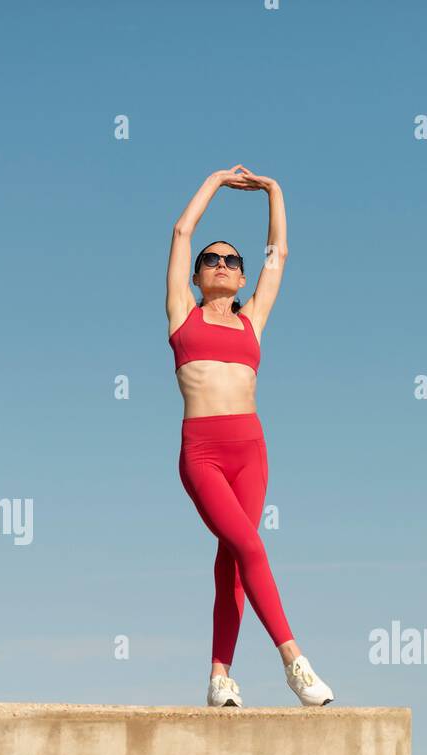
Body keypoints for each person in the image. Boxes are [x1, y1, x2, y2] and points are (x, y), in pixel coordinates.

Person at [166, 165, 334, 708]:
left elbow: (278, 255)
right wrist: (214, 182)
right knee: (250, 545)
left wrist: (274, 190)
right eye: (210, 260)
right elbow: (181, 231)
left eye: (230, 261)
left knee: (233, 560)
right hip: (203, 453)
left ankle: (220, 678)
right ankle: (294, 659)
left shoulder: (252, 319)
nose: (220, 264)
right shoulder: (181, 315)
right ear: (196, 276)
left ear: (241, 277)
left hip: (251, 451)